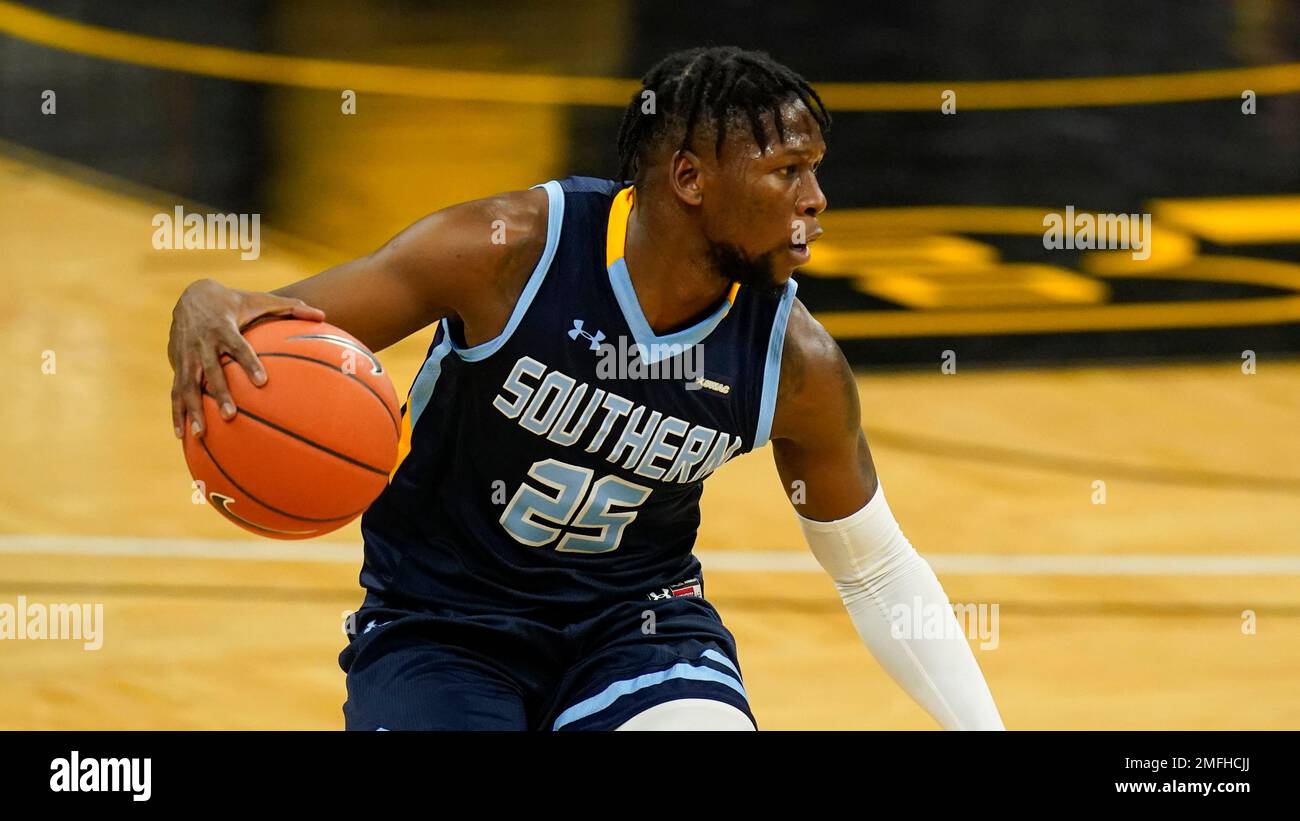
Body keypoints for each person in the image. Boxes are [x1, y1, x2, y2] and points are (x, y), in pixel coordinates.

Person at [167, 46, 1004, 731]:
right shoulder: (505, 253)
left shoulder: (798, 363)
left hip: (638, 626)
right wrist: (202, 301)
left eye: (815, 170)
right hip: (441, 623)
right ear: (689, 179)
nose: (816, 201)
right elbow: (272, 328)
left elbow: (876, 571)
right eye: (788, 171)